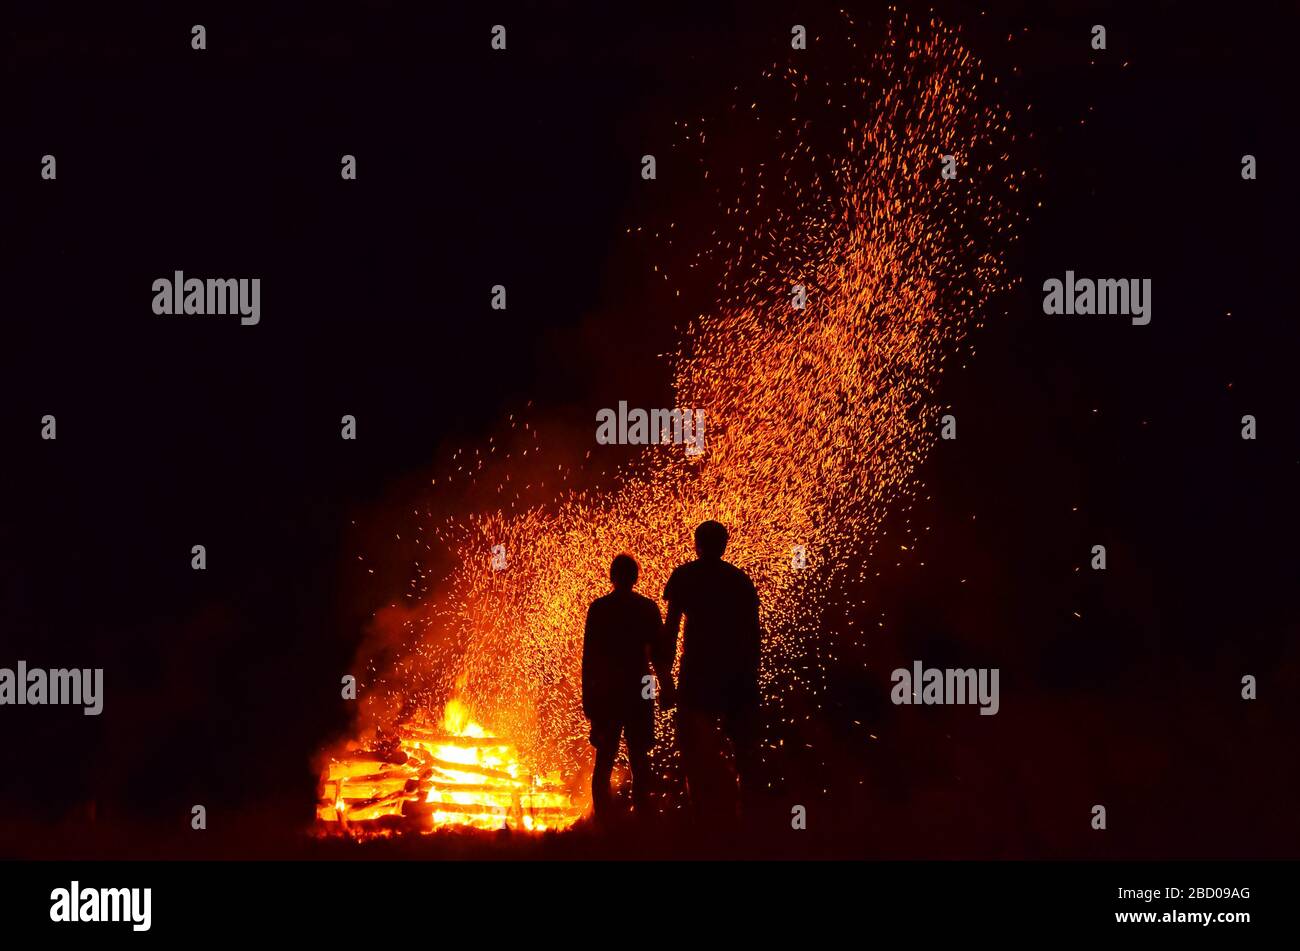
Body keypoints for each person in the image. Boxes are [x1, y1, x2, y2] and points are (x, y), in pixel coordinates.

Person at [663, 520, 762, 817]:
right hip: (736, 674)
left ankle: (703, 814)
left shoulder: (684, 576)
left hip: (697, 674)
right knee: (742, 747)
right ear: (724, 544)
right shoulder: (739, 580)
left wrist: (665, 678)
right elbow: (754, 634)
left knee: (694, 747)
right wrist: (751, 678)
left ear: (697, 543)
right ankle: (745, 813)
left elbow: (670, 631)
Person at [581, 554, 675, 820]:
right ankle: (642, 819)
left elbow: (590, 659)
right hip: (639, 690)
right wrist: (666, 687)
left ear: (612, 576)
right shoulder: (647, 608)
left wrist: (590, 701)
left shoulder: (599, 609)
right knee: (639, 756)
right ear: (635, 577)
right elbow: (659, 655)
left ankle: (603, 823)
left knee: (604, 759)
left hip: (608, 693)